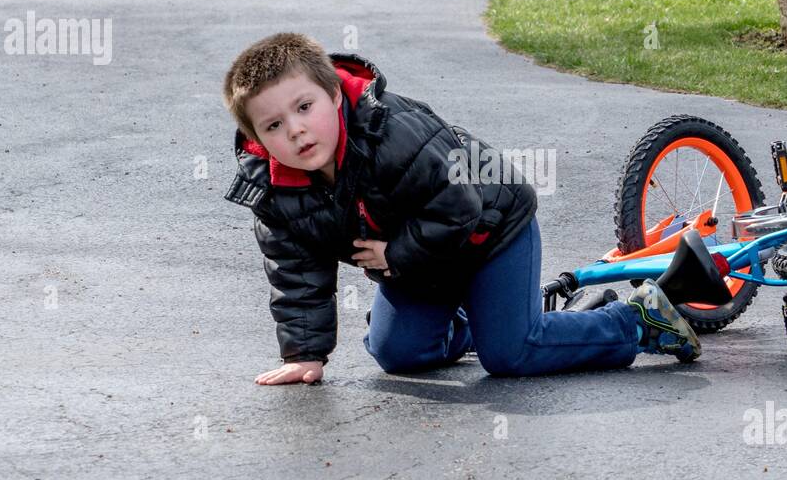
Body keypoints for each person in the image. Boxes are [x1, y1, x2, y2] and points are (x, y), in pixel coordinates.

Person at [221, 32, 700, 384]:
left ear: (332, 95)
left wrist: (395, 256)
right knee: (397, 353)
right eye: (274, 125)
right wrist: (306, 354)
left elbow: (459, 206)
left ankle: (636, 320)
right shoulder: (275, 189)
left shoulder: (392, 133)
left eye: (304, 108)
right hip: (418, 262)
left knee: (511, 355)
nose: (296, 131)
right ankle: (487, 322)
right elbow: (296, 271)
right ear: (256, 139)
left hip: (489, 232)